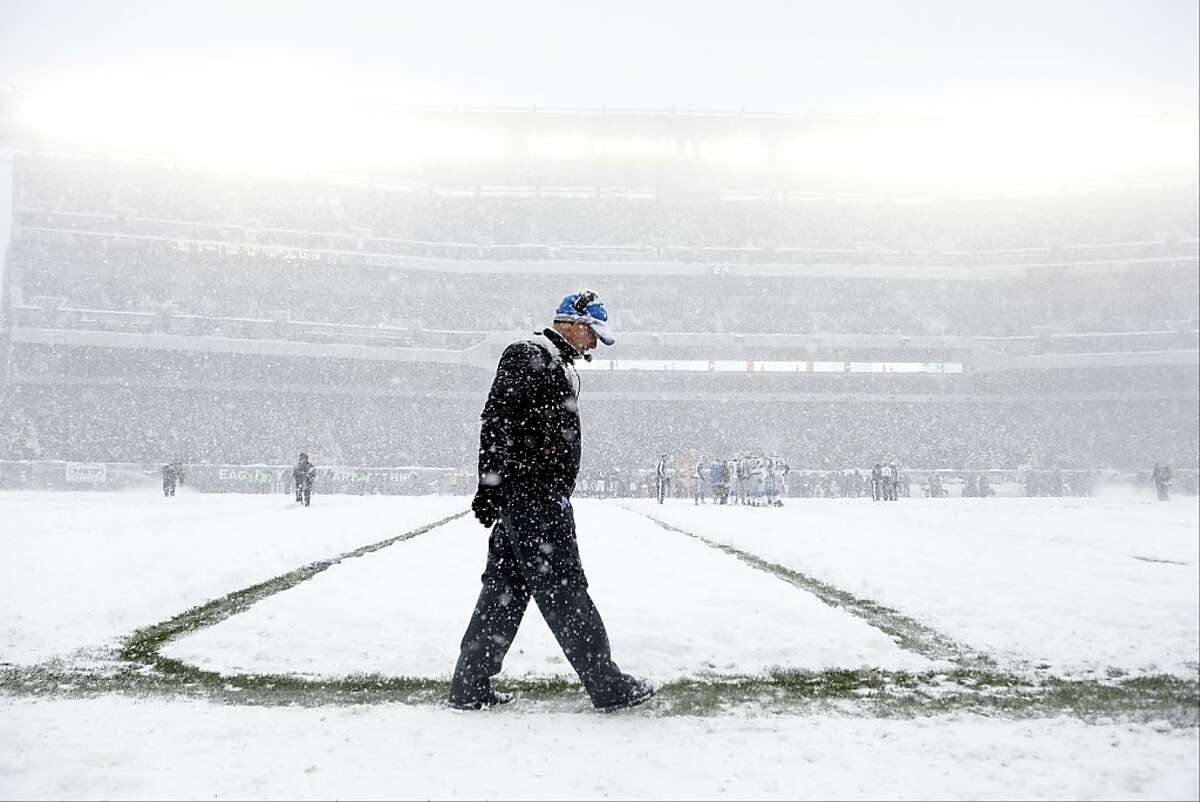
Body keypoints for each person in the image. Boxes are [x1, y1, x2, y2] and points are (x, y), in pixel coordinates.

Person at [450, 290, 655, 712]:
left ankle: (470, 686)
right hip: (535, 501)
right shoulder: (529, 355)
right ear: (572, 322)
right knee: (565, 589)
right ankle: (606, 683)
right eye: (593, 334)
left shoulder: (555, 363)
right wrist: (489, 486)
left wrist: (498, 489)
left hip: (527, 499)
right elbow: (496, 419)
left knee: (503, 590)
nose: (595, 344)